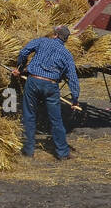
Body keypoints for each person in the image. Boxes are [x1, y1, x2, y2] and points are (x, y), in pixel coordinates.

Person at [10, 25, 80, 161]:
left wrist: (20, 67)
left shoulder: (42, 41)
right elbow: (73, 78)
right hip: (51, 85)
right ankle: (63, 153)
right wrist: (75, 99)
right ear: (65, 40)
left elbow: (24, 52)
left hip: (33, 81)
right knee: (56, 120)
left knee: (29, 115)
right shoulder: (67, 54)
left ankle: (28, 151)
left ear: (55, 34)